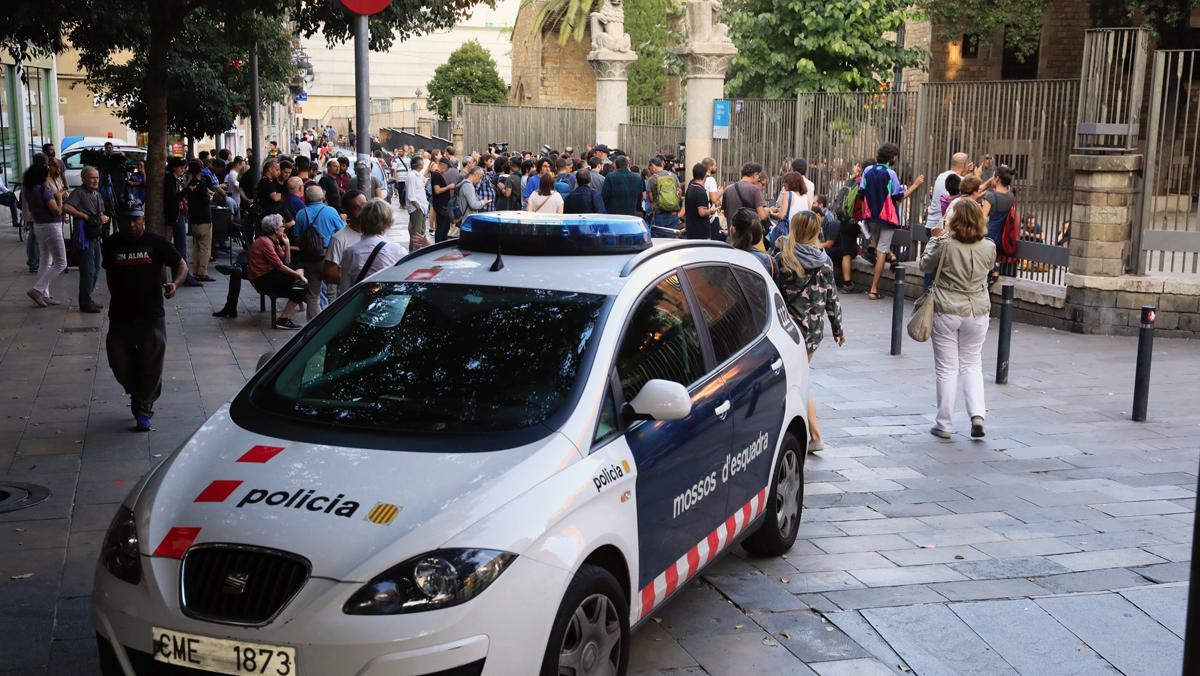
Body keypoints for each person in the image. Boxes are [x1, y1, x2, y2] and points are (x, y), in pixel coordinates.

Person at [102, 202, 188, 431]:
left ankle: (144, 408)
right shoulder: (110, 244)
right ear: (118, 222)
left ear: (142, 219)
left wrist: (175, 284)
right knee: (118, 359)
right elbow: (110, 273)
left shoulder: (156, 242)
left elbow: (181, 265)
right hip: (120, 312)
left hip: (152, 312)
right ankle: (138, 393)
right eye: (126, 220)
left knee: (152, 359)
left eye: (135, 219)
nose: (131, 224)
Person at [920, 198, 995, 440]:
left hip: (947, 308)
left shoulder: (944, 244)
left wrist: (936, 236)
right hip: (977, 310)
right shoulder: (989, 246)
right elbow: (988, 269)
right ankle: (977, 416)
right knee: (972, 364)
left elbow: (924, 265)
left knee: (947, 368)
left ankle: (944, 423)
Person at [776, 210, 845, 453]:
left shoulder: (782, 259)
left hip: (789, 329)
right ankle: (814, 435)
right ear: (816, 231)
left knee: (797, 382)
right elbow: (831, 298)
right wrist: (838, 329)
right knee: (799, 380)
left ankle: (815, 435)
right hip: (813, 332)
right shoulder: (824, 261)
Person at [861, 143, 924, 300]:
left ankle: (877, 251)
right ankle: (873, 289)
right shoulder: (891, 174)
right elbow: (899, 197)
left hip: (871, 217)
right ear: (892, 158)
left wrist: (865, 214)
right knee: (883, 249)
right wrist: (915, 185)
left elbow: (861, 193)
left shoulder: (868, 170)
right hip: (887, 218)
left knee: (878, 245)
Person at [247, 214, 307, 330]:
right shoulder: (265, 242)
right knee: (301, 286)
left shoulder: (274, 241)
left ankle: (301, 287)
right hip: (263, 279)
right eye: (282, 225)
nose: (284, 227)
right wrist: (297, 275)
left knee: (300, 266)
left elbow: (286, 262)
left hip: (270, 274)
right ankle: (282, 319)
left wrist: (287, 245)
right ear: (275, 229)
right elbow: (279, 266)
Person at [293, 185, 344, 320]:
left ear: (306, 199)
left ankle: (312, 326)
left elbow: (297, 237)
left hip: (310, 258)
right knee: (332, 292)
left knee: (312, 294)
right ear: (323, 197)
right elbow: (342, 232)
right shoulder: (331, 211)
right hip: (329, 256)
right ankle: (333, 322)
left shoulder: (301, 214)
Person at [63, 167, 111, 313]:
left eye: (97, 177)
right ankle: (85, 302)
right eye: (92, 177)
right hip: (84, 235)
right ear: (84, 179)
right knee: (87, 270)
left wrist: (102, 218)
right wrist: (84, 216)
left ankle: (88, 298)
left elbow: (100, 212)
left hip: (95, 234)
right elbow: (66, 207)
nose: (96, 180)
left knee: (96, 268)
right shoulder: (78, 192)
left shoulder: (97, 194)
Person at [338, 200, 408, 297]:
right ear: (389, 222)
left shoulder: (350, 252)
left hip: (360, 308)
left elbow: (345, 291)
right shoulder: (399, 251)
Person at [25, 164, 66, 308]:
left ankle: (44, 294)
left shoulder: (29, 190)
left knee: (45, 261)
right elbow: (57, 211)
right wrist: (59, 197)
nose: (49, 176)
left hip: (38, 226)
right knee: (61, 263)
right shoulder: (44, 191)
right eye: (47, 174)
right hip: (51, 227)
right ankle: (38, 289)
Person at [321, 189, 367, 301]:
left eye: (364, 205)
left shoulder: (376, 233)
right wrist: (356, 280)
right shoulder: (339, 238)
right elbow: (328, 273)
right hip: (350, 297)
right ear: (347, 212)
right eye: (356, 208)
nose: (362, 211)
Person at [981, 165, 1015, 284]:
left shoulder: (991, 196)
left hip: (988, 236)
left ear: (997, 178)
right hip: (1001, 237)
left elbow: (982, 218)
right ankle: (994, 271)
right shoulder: (1011, 196)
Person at [184, 160, 215, 282]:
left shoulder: (190, 184)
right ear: (200, 170)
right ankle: (202, 272)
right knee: (205, 247)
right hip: (204, 218)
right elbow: (206, 200)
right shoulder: (201, 184)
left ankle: (196, 270)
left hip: (194, 219)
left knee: (196, 246)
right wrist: (210, 196)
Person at [767, 171, 810, 247]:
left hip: (787, 232)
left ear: (791, 183)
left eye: (785, 182)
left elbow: (782, 216)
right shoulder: (805, 197)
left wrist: (770, 213)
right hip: (800, 234)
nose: (783, 184)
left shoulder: (788, 194)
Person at [646, 156, 681, 231]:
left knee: (660, 237)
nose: (650, 170)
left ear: (653, 165)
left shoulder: (652, 179)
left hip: (659, 213)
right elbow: (679, 192)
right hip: (673, 213)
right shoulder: (673, 176)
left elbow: (651, 198)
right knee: (673, 237)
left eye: (650, 168)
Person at [683, 163, 714, 239]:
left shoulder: (690, 188)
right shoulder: (700, 191)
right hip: (700, 234)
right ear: (704, 176)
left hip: (691, 231)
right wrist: (711, 211)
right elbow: (702, 212)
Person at [406, 156, 430, 250]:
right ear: (417, 164)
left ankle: (418, 250)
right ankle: (413, 252)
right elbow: (410, 194)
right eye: (421, 162)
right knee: (416, 232)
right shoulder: (411, 175)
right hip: (417, 207)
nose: (423, 163)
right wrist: (417, 206)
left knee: (421, 231)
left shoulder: (418, 175)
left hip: (422, 206)